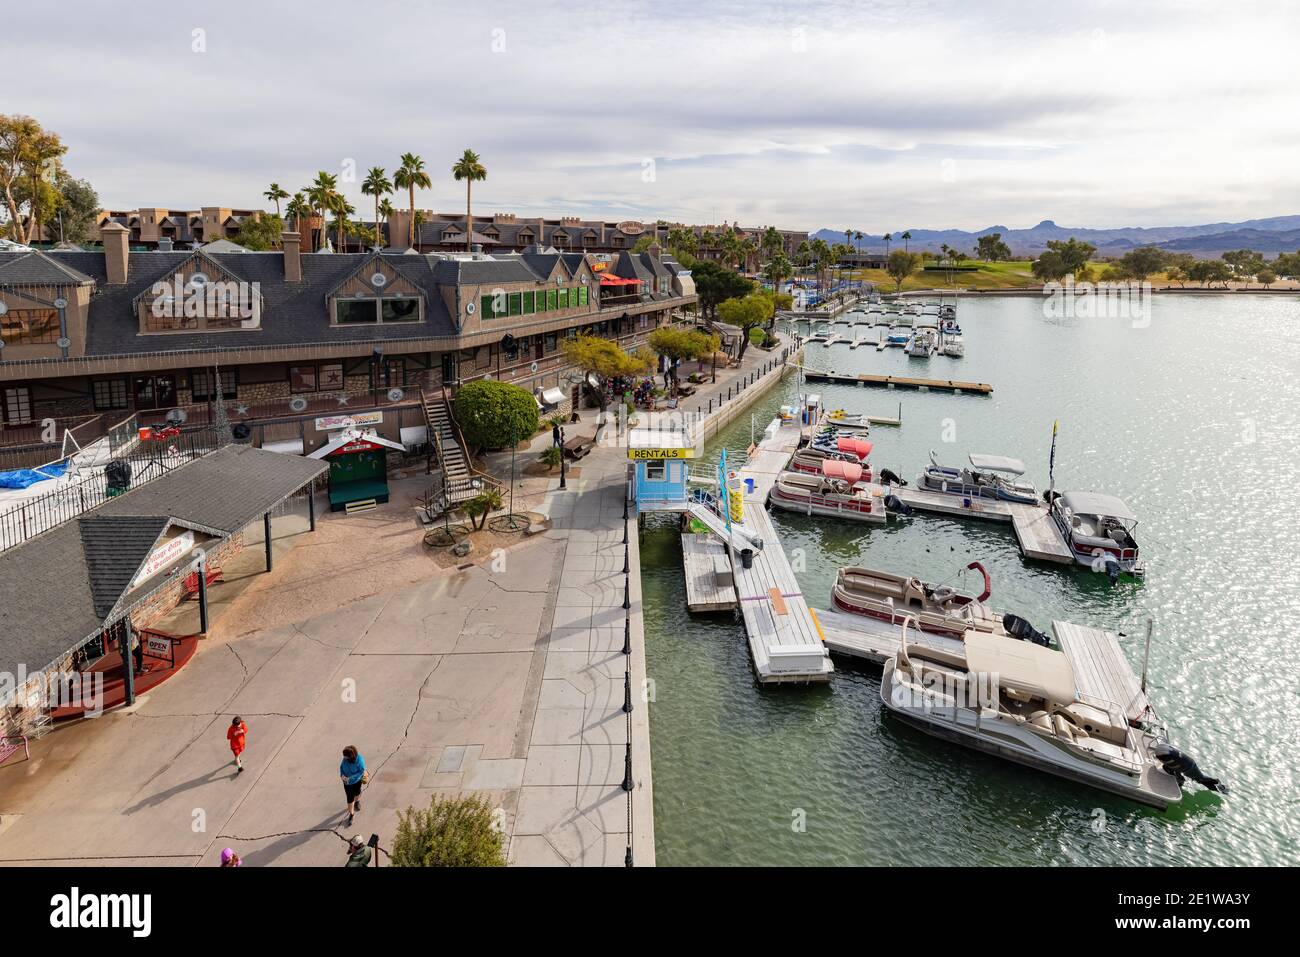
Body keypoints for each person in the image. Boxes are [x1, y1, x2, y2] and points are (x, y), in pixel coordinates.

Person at [340, 745, 366, 826]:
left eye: (346, 756)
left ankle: (357, 801)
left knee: (357, 793)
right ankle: (351, 814)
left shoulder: (359, 760)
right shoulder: (344, 760)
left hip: (357, 781)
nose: (344, 757)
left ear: (351, 756)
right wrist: (342, 775)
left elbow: (361, 771)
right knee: (350, 798)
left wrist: (351, 778)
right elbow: (341, 767)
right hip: (347, 783)